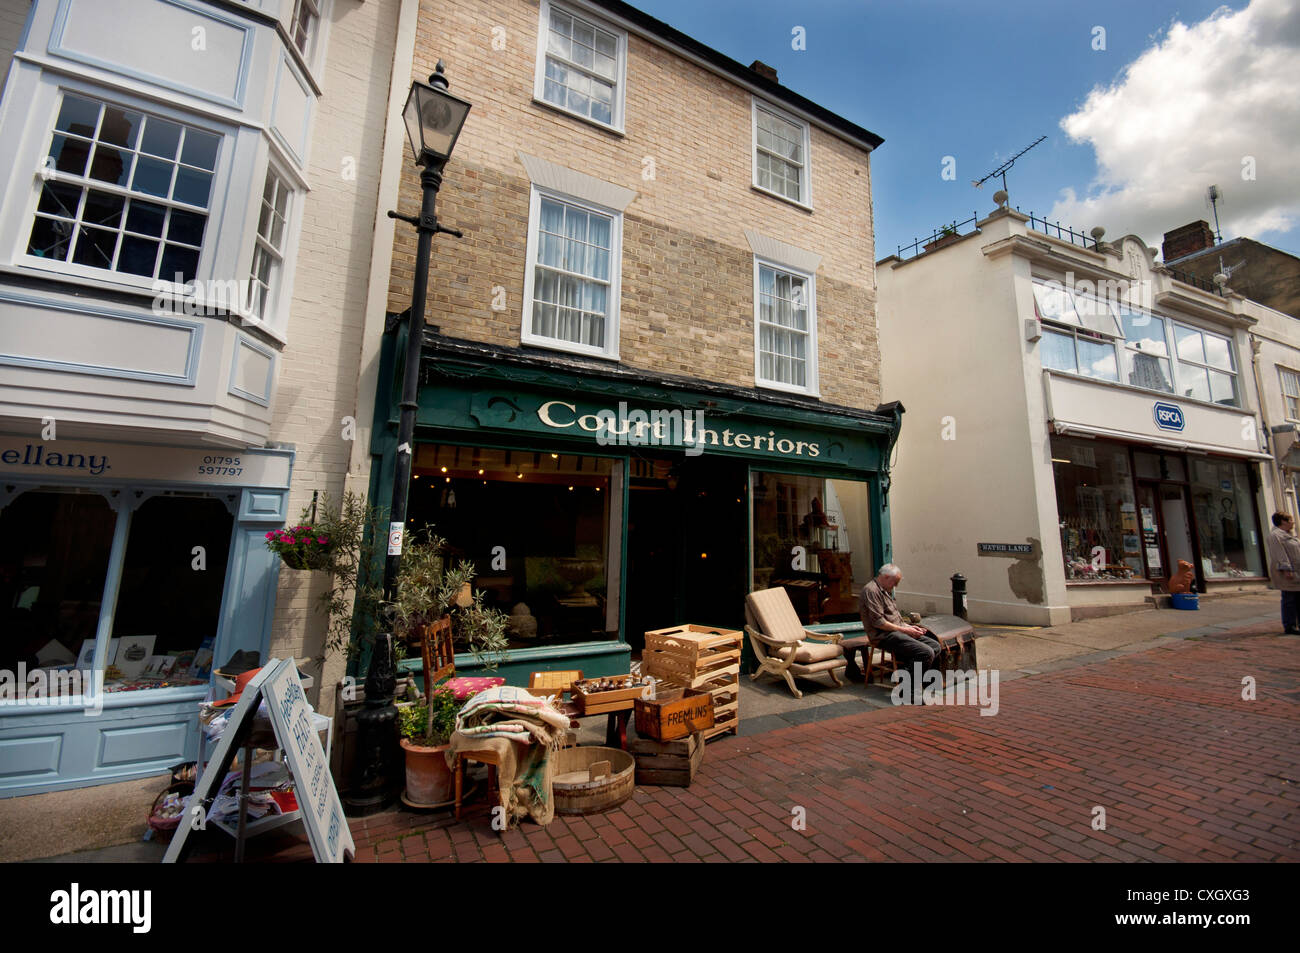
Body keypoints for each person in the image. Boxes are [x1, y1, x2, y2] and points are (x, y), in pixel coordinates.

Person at [858, 564, 944, 700]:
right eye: (895, 582)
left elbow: (895, 619)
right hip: (882, 636)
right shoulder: (871, 591)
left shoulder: (885, 590)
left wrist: (910, 628)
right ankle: (906, 690)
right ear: (886, 577)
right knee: (925, 652)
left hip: (896, 631)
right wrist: (905, 630)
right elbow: (879, 623)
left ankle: (927, 683)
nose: (895, 586)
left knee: (935, 646)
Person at [1265, 512, 1300, 635]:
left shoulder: (1289, 535)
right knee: (1289, 598)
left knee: (1297, 598)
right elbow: (1278, 554)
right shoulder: (1275, 535)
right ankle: (1289, 625)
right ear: (1283, 521)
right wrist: (1286, 569)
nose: (1293, 522)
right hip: (1287, 573)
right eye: (1290, 520)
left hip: (1297, 570)